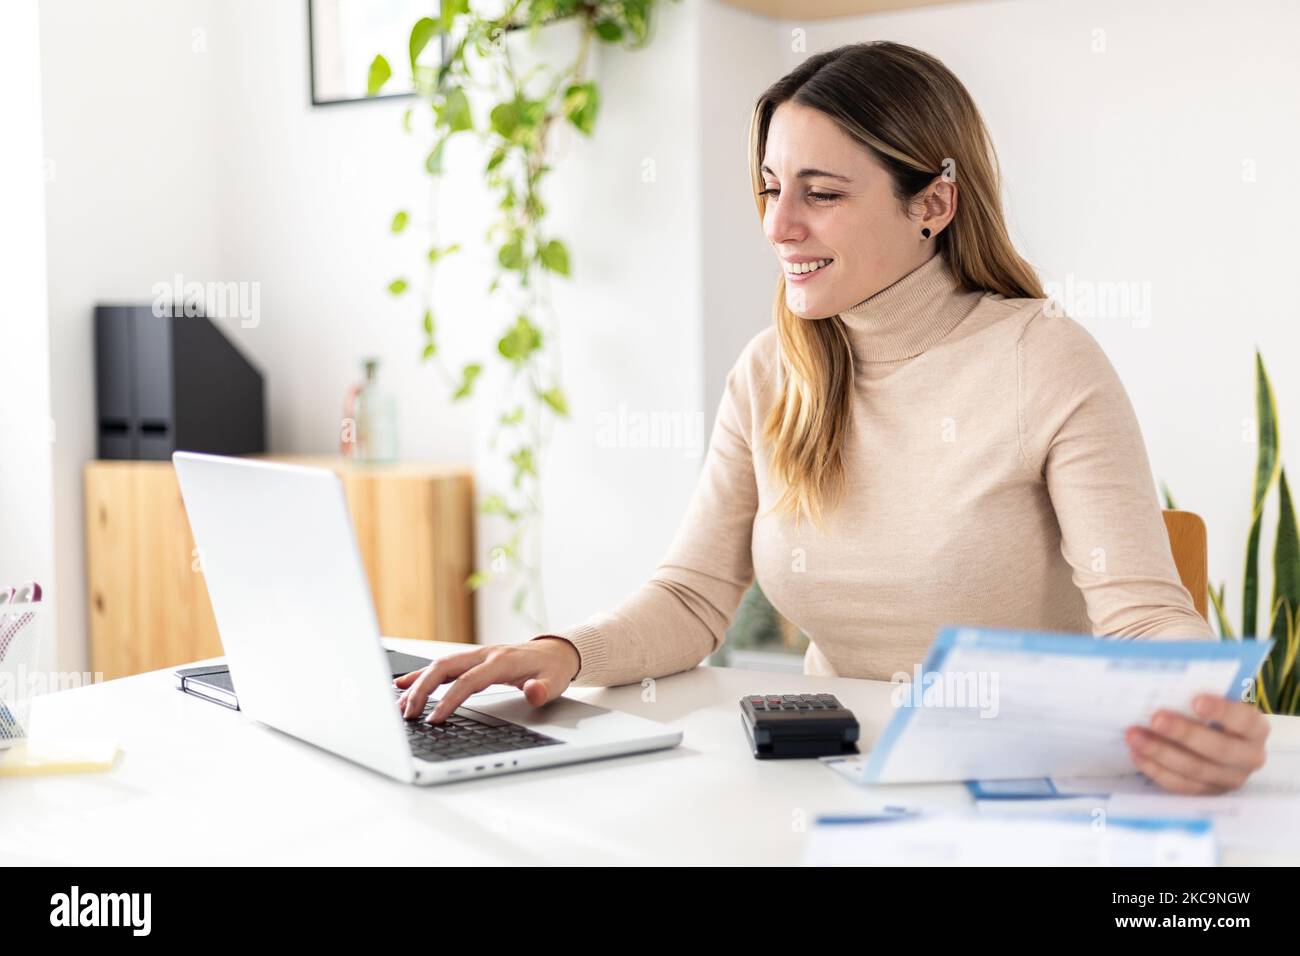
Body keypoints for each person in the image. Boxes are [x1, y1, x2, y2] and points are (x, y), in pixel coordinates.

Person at [396, 41, 1269, 795]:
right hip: (831, 776)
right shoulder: (772, 370)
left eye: (821, 193)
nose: (779, 225)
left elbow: (1145, 616)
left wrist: (1210, 710)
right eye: (772, 187)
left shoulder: (1042, 356)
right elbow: (694, 597)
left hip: (1018, 781)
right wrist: (563, 653)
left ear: (933, 203)